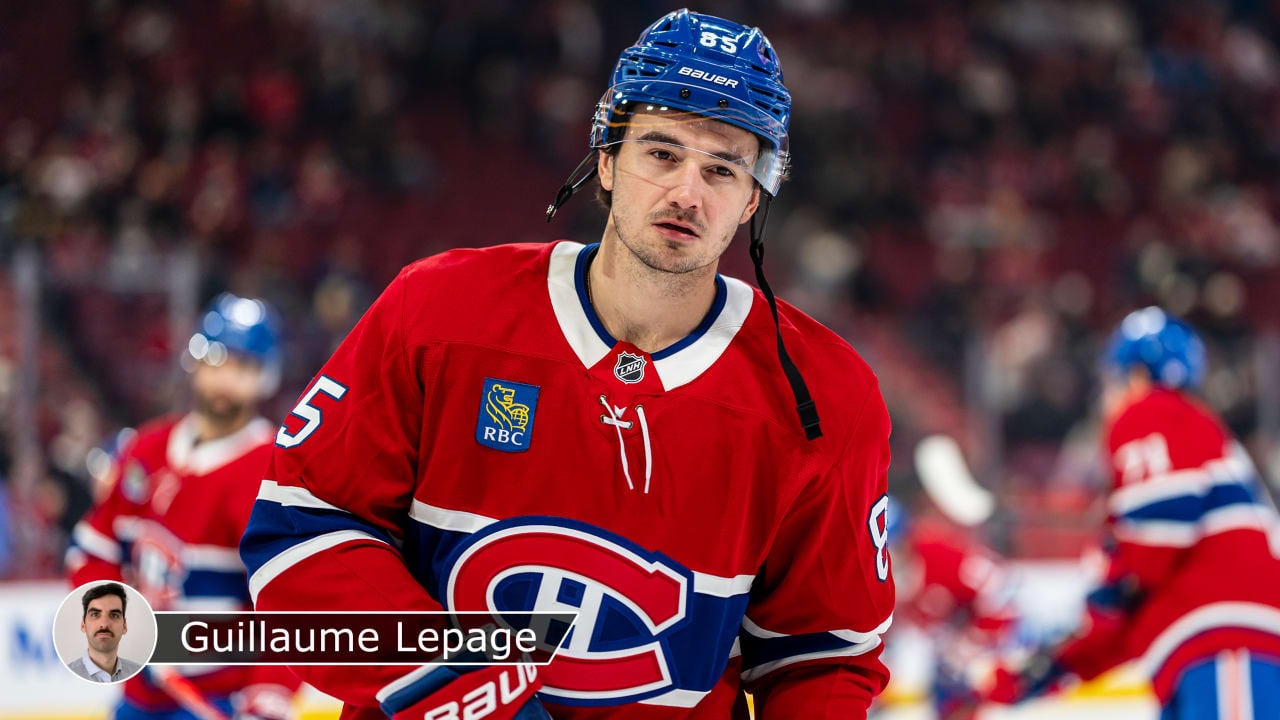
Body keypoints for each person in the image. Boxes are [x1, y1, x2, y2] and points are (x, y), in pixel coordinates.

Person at [240, 9, 895, 720]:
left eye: (723, 168)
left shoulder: (827, 398)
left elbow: (822, 658)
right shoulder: (438, 312)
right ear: (606, 159)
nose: (687, 193)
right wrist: (459, 685)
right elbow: (303, 531)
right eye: (663, 153)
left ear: (752, 198)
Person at [982, 307, 1280, 718]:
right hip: (1214, 649)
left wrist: (1099, 597)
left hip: (1225, 643)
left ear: (1135, 375)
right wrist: (1048, 667)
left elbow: (1153, 538)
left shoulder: (1152, 412)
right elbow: (1126, 609)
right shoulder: (1194, 433)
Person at [67, 294, 301, 720]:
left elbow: (292, 602)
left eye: (244, 366)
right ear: (197, 361)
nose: (227, 378)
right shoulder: (146, 450)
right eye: (218, 359)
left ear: (266, 377)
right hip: (140, 694)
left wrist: (269, 689)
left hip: (220, 696)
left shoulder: (275, 473)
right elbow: (95, 551)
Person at [66, 582, 145, 683]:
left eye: (114, 615)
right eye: (95, 615)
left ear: (124, 626)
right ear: (83, 625)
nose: (104, 624)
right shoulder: (69, 676)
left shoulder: (138, 673)